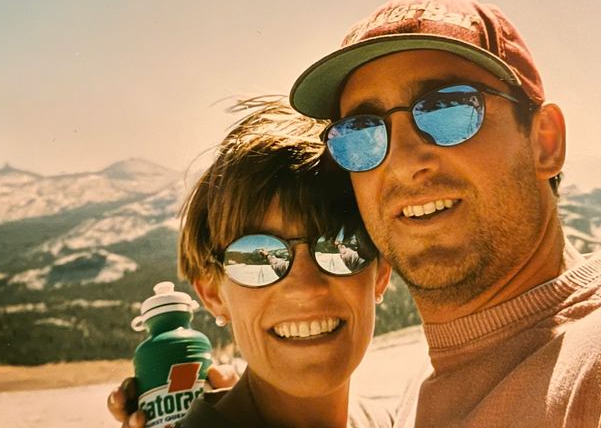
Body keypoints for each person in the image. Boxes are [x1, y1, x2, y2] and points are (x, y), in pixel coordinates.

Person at [288, 0, 601, 427]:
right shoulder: (421, 392)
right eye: (360, 131)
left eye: (447, 108)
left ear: (546, 141)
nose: (401, 162)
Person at [107, 99, 393, 427]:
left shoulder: (394, 420)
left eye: (340, 246)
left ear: (380, 270)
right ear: (213, 293)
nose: (305, 289)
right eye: (257, 255)